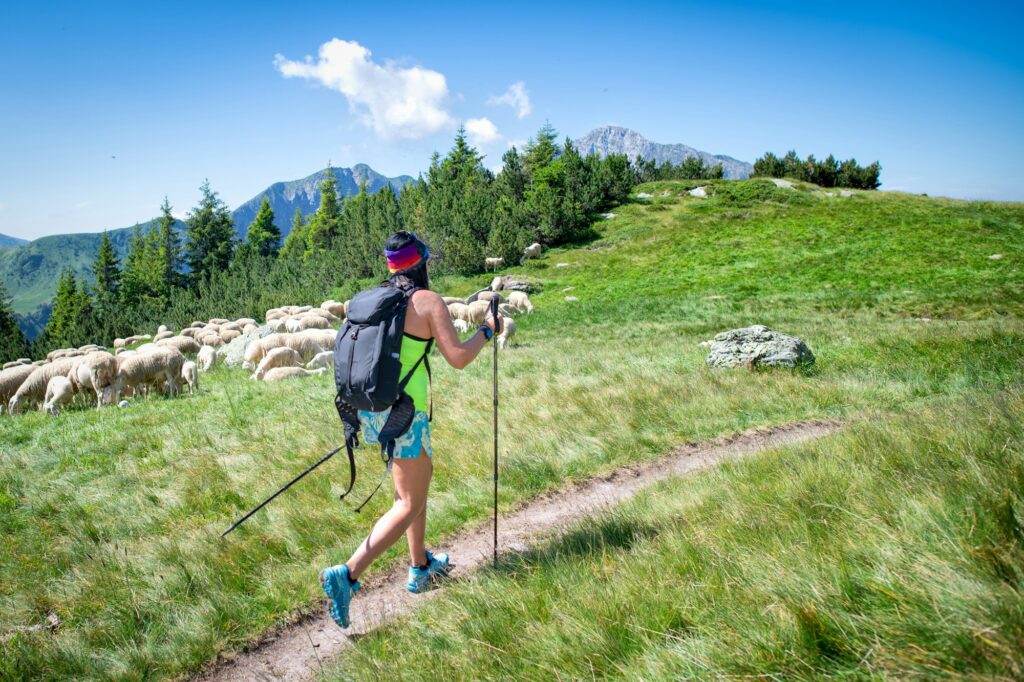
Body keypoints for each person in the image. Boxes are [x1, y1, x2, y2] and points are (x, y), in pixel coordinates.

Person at [319, 230, 501, 629]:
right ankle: (346, 575)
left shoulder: (375, 299)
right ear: (422, 262)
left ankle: (420, 566)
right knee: (406, 501)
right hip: (407, 412)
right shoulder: (427, 302)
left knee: (419, 484)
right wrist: (487, 330)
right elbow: (457, 358)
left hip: (374, 407)